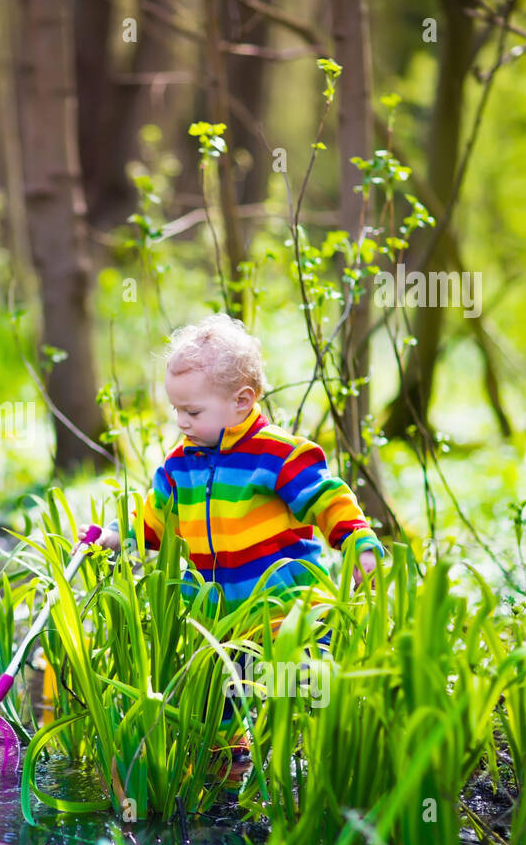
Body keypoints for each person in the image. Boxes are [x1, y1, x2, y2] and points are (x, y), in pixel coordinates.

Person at [78, 314, 386, 786]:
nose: (181, 422)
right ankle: (228, 785)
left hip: (288, 615)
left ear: (242, 402)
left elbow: (329, 499)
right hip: (222, 620)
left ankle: (318, 777)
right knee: (217, 705)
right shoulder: (180, 466)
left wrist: (359, 544)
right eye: (176, 410)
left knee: (304, 694)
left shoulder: (279, 456)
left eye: (194, 412)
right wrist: (116, 538)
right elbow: (153, 524)